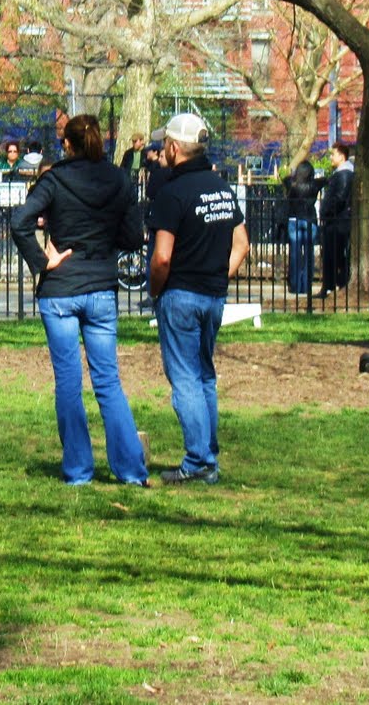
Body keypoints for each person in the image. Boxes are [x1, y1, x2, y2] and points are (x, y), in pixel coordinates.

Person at [9, 114, 148, 486]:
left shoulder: (54, 180)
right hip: (101, 286)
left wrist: (43, 261)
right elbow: (134, 237)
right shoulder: (119, 179)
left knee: (68, 382)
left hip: (61, 288)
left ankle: (78, 470)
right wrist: (103, 239)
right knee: (108, 381)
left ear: (66, 144)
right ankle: (131, 470)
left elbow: (20, 222)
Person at [147, 112, 249, 485]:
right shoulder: (222, 188)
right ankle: (209, 458)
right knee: (205, 376)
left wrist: (156, 290)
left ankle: (197, 461)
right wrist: (220, 275)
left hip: (181, 295)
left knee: (185, 379)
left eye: (164, 144)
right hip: (213, 296)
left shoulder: (171, 193)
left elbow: (162, 257)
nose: (162, 150)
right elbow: (242, 244)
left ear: (175, 148)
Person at [318, 142, 354, 298]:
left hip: (338, 222)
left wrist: (326, 211)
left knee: (334, 255)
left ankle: (331, 286)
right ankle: (331, 285)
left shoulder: (344, 174)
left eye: (333, 154)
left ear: (341, 156)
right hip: (336, 221)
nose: (331, 158)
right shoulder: (341, 174)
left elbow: (339, 198)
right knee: (332, 255)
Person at [284, 160, 321, 295]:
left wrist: (294, 175)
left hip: (294, 219)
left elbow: (285, 178)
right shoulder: (314, 185)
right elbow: (325, 181)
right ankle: (306, 285)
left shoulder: (291, 184)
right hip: (310, 219)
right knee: (308, 255)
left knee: (295, 254)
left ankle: (295, 285)